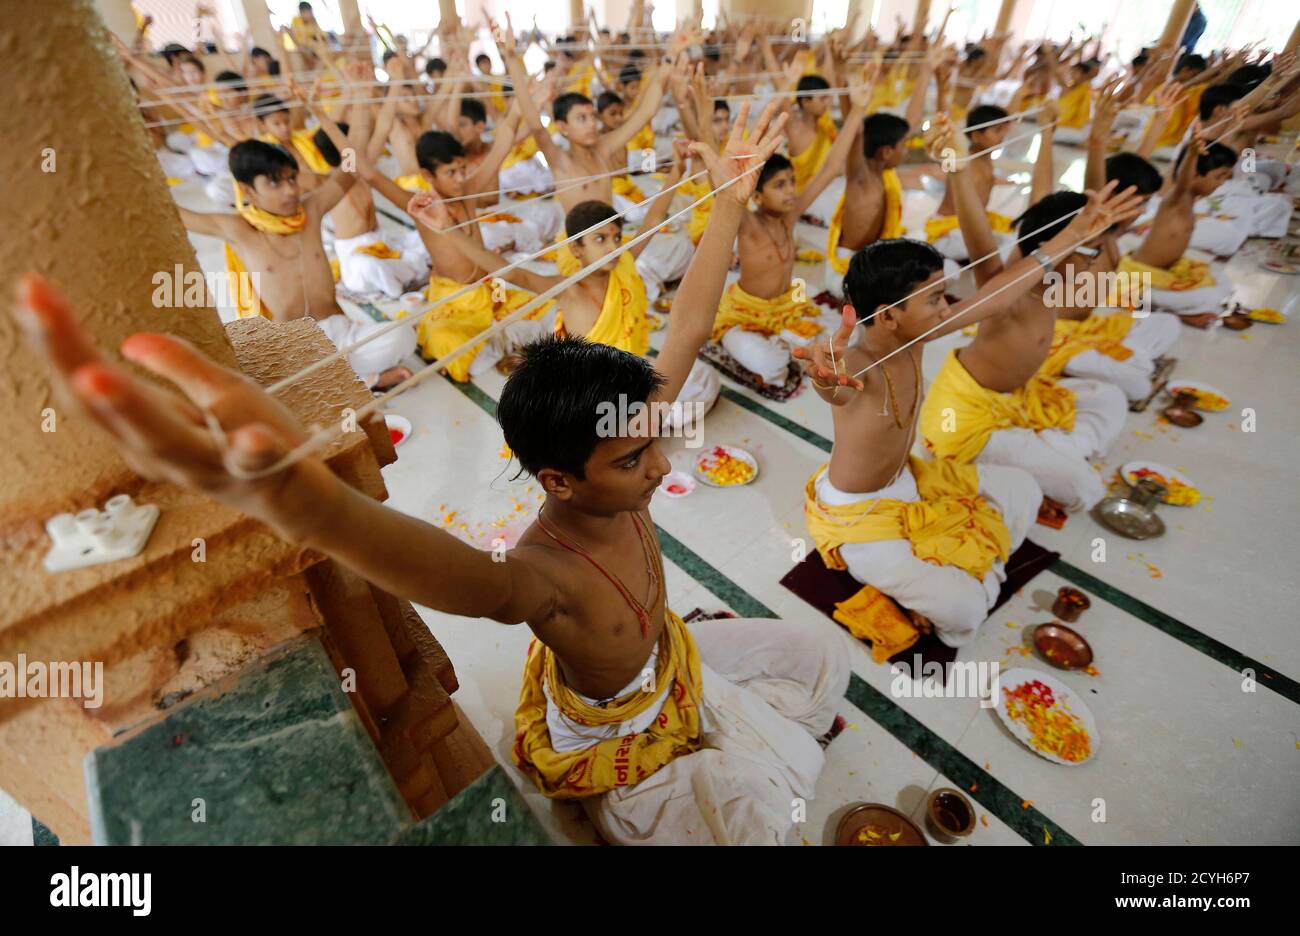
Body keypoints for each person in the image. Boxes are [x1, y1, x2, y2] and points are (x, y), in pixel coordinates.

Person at [14, 102, 851, 846]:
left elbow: (688, 326)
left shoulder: (614, 437)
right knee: (761, 821)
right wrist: (305, 502)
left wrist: (730, 203)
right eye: (634, 459)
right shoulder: (543, 572)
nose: (659, 464)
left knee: (820, 663)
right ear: (558, 481)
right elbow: (452, 576)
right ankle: (607, 801)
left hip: (673, 659)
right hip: (616, 720)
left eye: (649, 441)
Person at [793, 180, 1142, 650]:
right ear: (889, 316)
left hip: (911, 482)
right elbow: (837, 390)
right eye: (935, 298)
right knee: (964, 617)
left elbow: (998, 294)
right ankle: (947, 576)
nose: (948, 306)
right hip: (860, 516)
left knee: (1022, 490)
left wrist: (1075, 235)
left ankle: (955, 568)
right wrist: (824, 377)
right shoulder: (858, 364)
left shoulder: (917, 334)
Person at [916, 117, 1140, 513]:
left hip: (1015, 400)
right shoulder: (1006, 288)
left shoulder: (1055, 282)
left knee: (1109, 398)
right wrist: (961, 170)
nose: (1096, 266)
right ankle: (1045, 459)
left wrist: (1091, 146)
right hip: (967, 421)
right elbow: (976, 229)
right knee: (1086, 491)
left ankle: (1048, 453)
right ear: (1059, 248)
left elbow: (1043, 198)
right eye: (1091, 255)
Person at [176, 139, 414, 389]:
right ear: (247, 191)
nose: (289, 190)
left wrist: (362, 107)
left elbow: (349, 168)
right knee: (259, 378)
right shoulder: (239, 229)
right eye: (274, 182)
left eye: (291, 179)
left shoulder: (311, 211)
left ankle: (342, 381)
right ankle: (363, 381)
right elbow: (178, 214)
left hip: (341, 333)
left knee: (402, 336)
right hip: (293, 346)